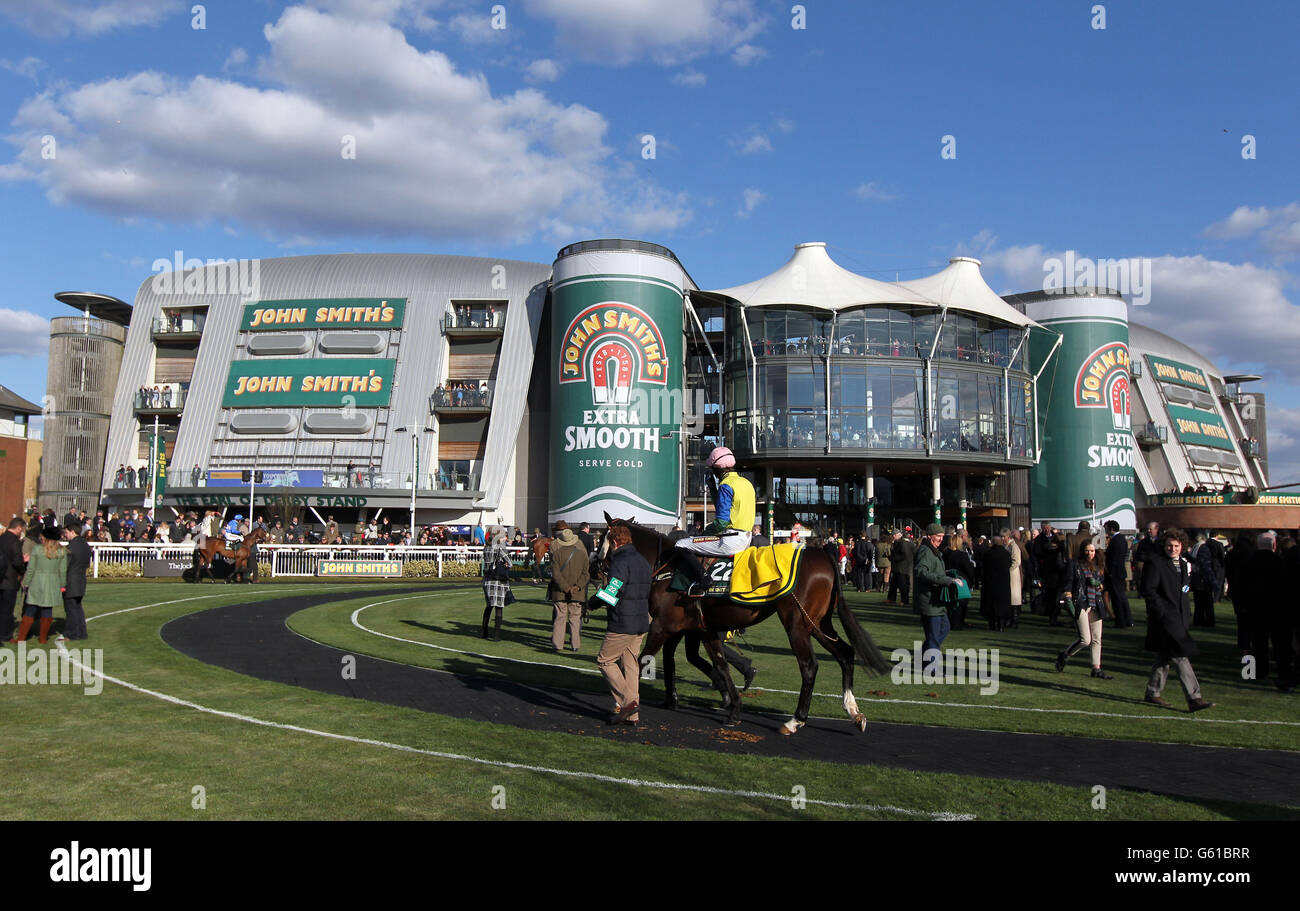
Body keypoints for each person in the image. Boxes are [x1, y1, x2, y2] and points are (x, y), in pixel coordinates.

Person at [1141, 528, 1213, 712]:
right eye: (1169, 546)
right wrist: (1161, 610)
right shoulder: (1156, 563)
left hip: (1180, 617)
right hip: (1165, 618)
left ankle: (1152, 692)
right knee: (1181, 655)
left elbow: (1184, 591)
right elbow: (1148, 589)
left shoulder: (1183, 563)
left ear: (1182, 546)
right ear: (1163, 546)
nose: (1172, 549)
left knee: (1164, 656)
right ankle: (1194, 698)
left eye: (1176, 546)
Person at [587, 523, 651, 725]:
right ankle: (633, 715)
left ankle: (627, 702)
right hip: (641, 620)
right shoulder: (642, 561)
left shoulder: (620, 561)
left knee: (605, 660)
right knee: (630, 664)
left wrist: (592, 603)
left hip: (623, 621)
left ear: (614, 542)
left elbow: (613, 591)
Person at [672, 446, 754, 594]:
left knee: (681, 544)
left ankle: (704, 579)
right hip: (746, 539)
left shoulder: (726, 485)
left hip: (730, 540)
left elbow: (722, 522)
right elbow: (725, 508)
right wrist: (713, 489)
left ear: (720, 469)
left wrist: (703, 533)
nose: (714, 473)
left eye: (714, 470)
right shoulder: (746, 483)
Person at [1056, 540, 1113, 678]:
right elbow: (1069, 582)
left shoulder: (1098, 565)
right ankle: (1065, 654)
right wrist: (1068, 596)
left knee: (1097, 638)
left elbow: (1103, 584)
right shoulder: (1075, 564)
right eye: (1087, 550)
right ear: (1082, 551)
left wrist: (1099, 584)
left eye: (1092, 551)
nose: (1090, 553)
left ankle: (1096, 668)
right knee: (1085, 639)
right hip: (1081, 602)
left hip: (1095, 602)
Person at [914, 524, 959, 669]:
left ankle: (922, 658)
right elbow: (921, 572)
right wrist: (946, 580)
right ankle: (930, 668)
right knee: (933, 636)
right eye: (937, 536)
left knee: (944, 628)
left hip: (936, 600)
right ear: (929, 536)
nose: (940, 539)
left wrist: (948, 574)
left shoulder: (933, 551)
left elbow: (933, 570)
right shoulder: (925, 551)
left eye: (941, 536)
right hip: (929, 600)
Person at [11, 526, 66, 644]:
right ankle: (43, 638)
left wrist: (26, 583)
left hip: (37, 581)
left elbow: (31, 569)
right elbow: (63, 570)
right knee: (47, 610)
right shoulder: (62, 551)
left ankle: (21, 638)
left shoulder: (37, 549)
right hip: (52, 582)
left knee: (30, 609)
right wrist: (62, 585)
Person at [547, 521, 589, 652]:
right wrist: (576, 587)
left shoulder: (556, 551)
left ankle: (557, 644)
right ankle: (575, 644)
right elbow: (586, 574)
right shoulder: (582, 553)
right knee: (575, 619)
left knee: (559, 618)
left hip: (560, 591)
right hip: (577, 592)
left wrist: (565, 587)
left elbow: (556, 574)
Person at [480, 527, 513, 641]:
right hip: (498, 580)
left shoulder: (486, 547)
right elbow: (509, 563)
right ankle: (496, 635)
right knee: (498, 607)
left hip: (487, 579)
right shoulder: (499, 548)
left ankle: (484, 631)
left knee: (489, 605)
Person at [60, 523, 91, 641]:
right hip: (81, 579)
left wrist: (62, 583)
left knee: (71, 609)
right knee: (78, 608)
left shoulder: (71, 547)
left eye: (66, 532)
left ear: (72, 532)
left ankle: (72, 633)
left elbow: (65, 565)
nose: (65, 535)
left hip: (71, 580)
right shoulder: (85, 545)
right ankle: (82, 633)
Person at [980, 529, 1013, 631]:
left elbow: (984, 567)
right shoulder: (1006, 554)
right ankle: (1001, 625)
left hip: (990, 582)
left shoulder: (988, 554)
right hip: (1003, 583)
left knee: (991, 604)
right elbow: (1009, 565)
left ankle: (992, 624)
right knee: (1002, 605)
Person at [0, 517, 26, 640]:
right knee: (7, 609)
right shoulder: (14, 541)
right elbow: (17, 562)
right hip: (9, 579)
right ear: (18, 528)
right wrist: (23, 564)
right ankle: (5, 635)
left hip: (1, 577)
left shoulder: (1, 538)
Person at [1103, 520, 1133, 628]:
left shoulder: (1115, 540)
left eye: (1106, 528)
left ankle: (1120, 621)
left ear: (1111, 529)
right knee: (1122, 597)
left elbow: (1114, 558)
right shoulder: (1122, 539)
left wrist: (1110, 572)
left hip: (1114, 573)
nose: (1105, 530)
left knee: (1117, 598)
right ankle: (1128, 619)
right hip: (1120, 572)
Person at [942, 534, 975, 630]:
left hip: (948, 580)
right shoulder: (962, 555)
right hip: (961, 582)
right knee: (961, 604)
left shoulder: (945, 554)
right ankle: (958, 623)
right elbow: (969, 569)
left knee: (950, 603)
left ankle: (951, 622)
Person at [888, 530, 915, 605]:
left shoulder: (902, 543)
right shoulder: (900, 542)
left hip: (902, 567)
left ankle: (904, 600)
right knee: (893, 584)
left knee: (902, 585)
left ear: (898, 535)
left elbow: (904, 555)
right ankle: (891, 599)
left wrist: (893, 558)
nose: (893, 536)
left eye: (894, 535)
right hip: (899, 567)